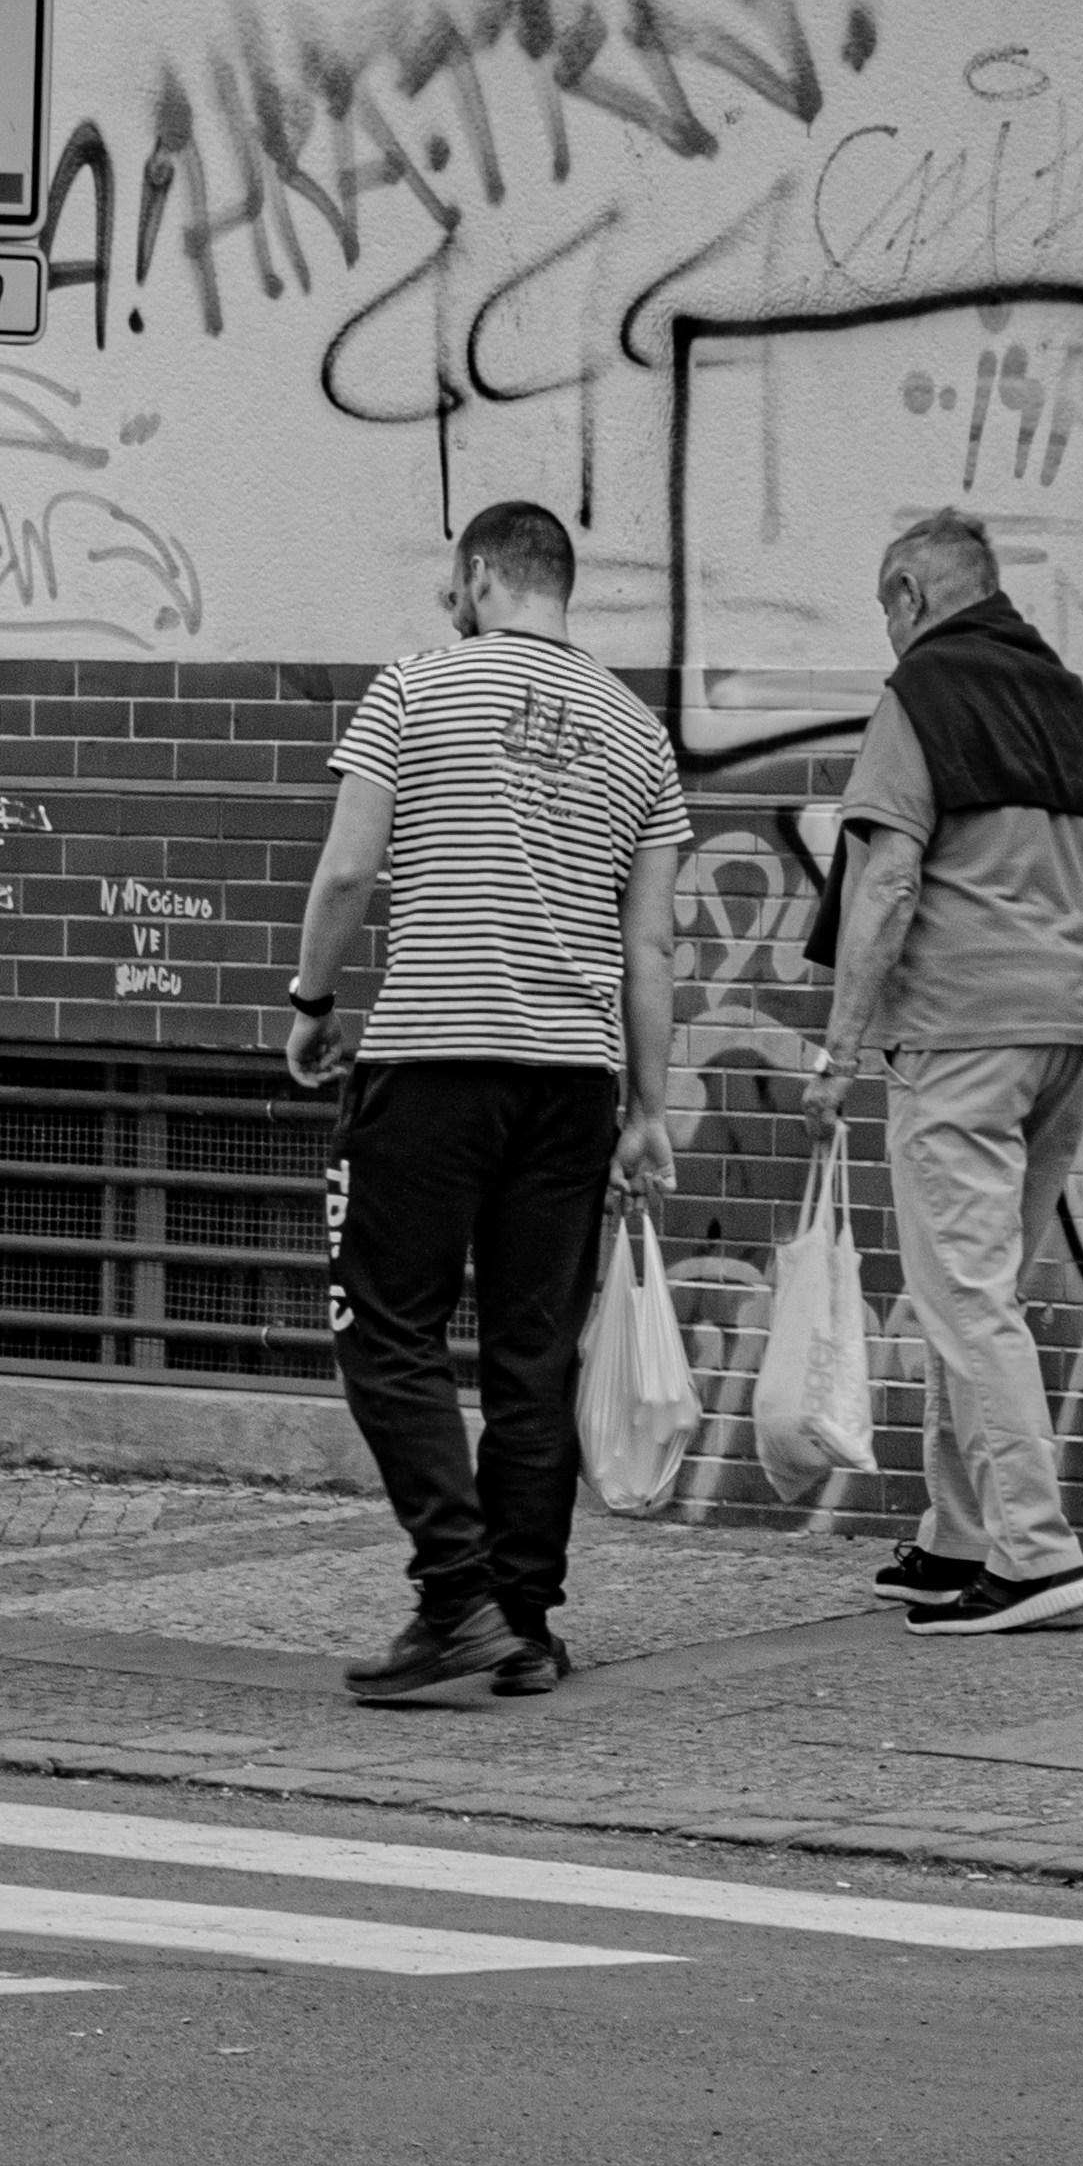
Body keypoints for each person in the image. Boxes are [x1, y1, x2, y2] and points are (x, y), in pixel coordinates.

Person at [279, 498, 690, 1707]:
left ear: (475, 578)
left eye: (449, 586)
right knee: (530, 1357)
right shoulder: (640, 735)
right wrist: (647, 1109)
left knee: (384, 1328)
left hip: (436, 1060)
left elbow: (351, 865)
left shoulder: (413, 688)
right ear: (562, 585)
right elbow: (651, 948)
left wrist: (310, 1001)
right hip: (574, 1081)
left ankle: (454, 1598)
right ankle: (524, 1620)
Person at [804, 507, 1083, 1637]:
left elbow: (884, 878)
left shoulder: (921, 693)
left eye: (882, 607)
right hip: (1070, 1031)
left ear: (907, 593)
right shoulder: (1063, 699)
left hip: (960, 1035)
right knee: (971, 1292)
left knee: (967, 1299)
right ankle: (955, 1543)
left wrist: (840, 1043)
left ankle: (1035, 1558)